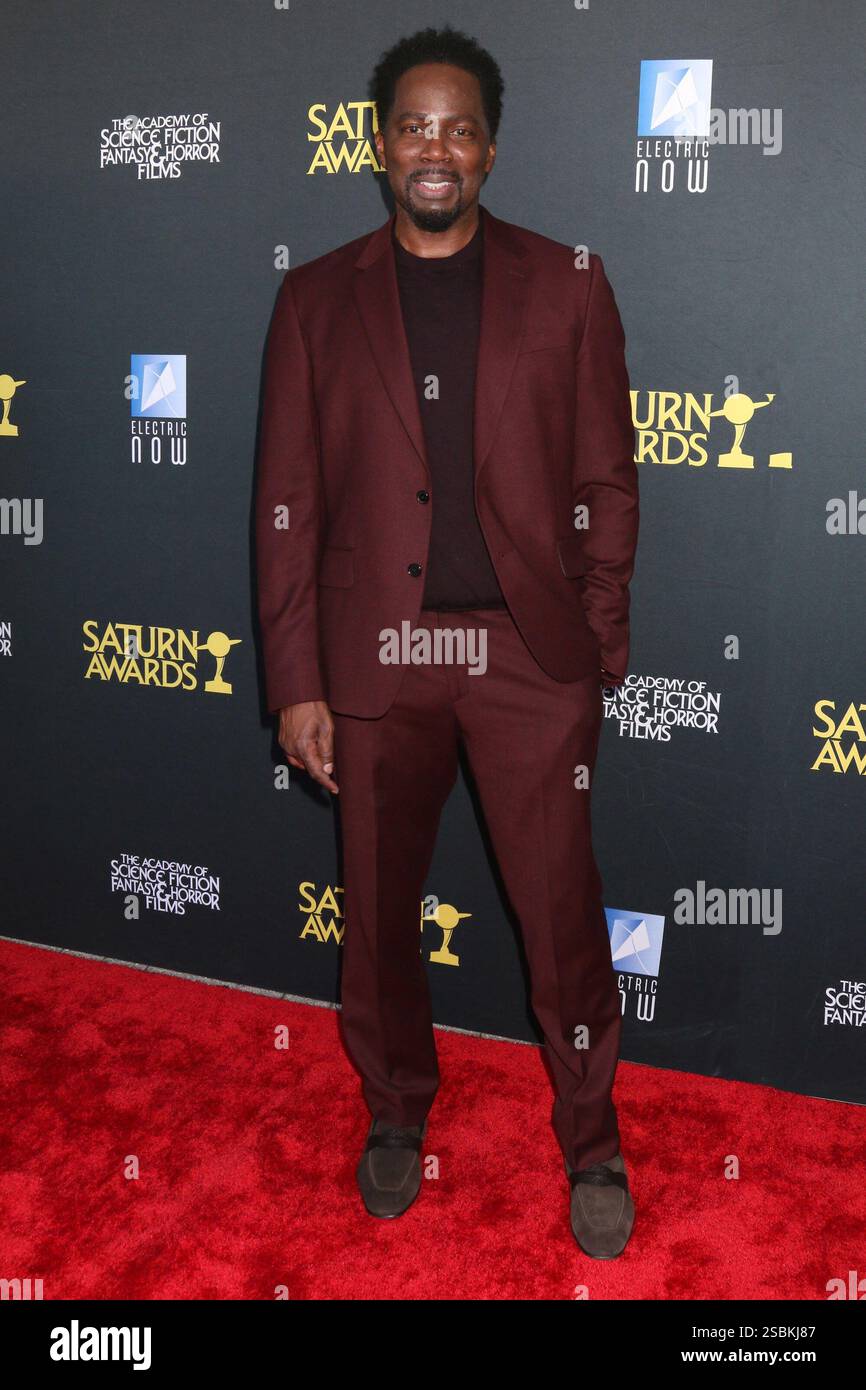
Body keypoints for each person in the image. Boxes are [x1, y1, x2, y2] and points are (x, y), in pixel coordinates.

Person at [255, 25, 639, 1258]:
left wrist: (594, 645)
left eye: (459, 128)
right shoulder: (313, 300)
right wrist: (296, 681)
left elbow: (606, 476)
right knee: (376, 917)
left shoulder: (566, 283)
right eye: (413, 126)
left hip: (525, 659)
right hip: (379, 660)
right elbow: (287, 503)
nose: (436, 147)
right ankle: (393, 1110)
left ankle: (591, 1137)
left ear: (490, 149)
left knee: (561, 918)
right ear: (377, 145)